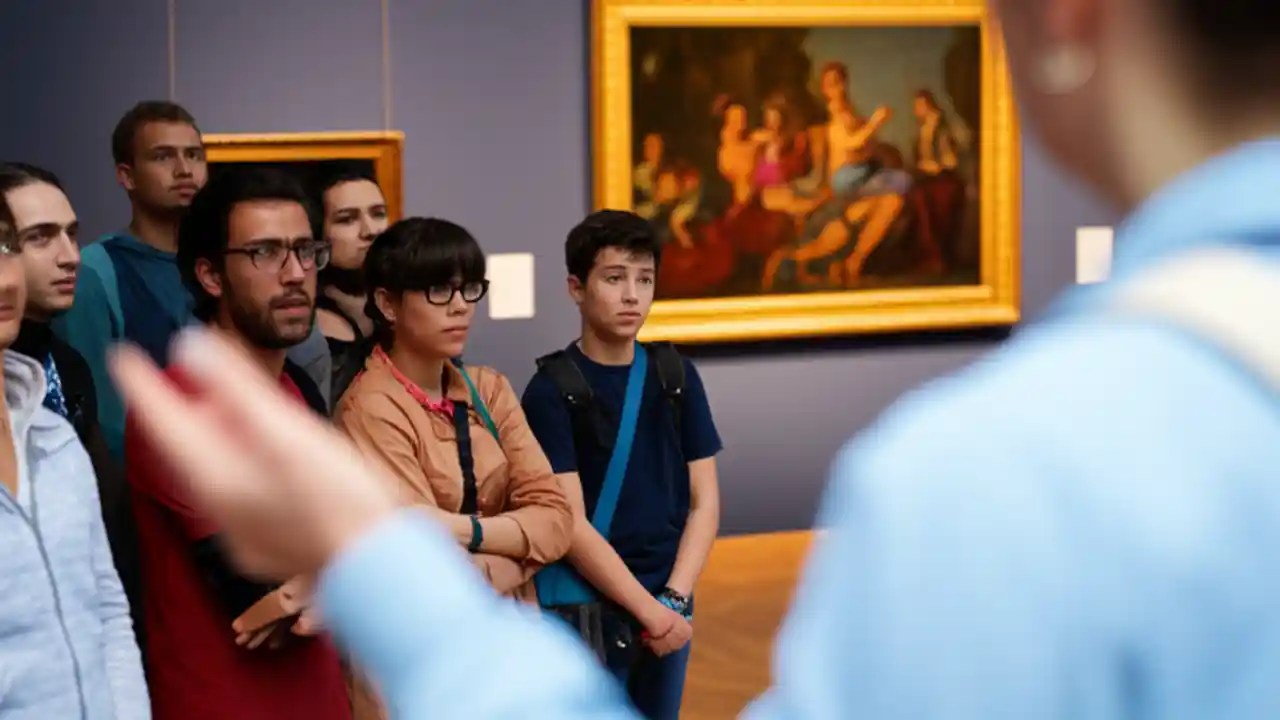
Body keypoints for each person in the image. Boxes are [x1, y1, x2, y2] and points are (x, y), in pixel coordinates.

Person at [106, 0, 1280, 716]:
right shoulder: (499, 387)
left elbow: (548, 517)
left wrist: (380, 559)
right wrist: (531, 550)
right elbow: (542, 519)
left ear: (1066, 19)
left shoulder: (1003, 475)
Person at [125, 166, 349, 720]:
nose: (296, 274)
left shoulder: (298, 390)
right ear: (210, 275)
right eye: (264, 253)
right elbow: (266, 602)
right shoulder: (181, 406)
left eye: (305, 250)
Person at [334, 217, 572, 718]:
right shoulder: (370, 407)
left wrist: (462, 530)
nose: (461, 305)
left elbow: (556, 519)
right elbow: (424, 568)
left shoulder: (488, 388)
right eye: (439, 290)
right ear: (387, 304)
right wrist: (522, 555)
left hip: (506, 649)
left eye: (469, 289)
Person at [520, 209, 721, 719]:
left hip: (669, 600)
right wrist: (650, 610)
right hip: (591, 603)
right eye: (614, 278)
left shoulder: (675, 374)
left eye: (644, 279)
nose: (632, 295)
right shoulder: (551, 390)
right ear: (576, 288)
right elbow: (569, 522)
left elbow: (704, 501)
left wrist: (674, 598)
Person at [53, 101, 332, 459]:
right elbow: (99, 414)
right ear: (126, 175)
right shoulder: (97, 269)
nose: (184, 170)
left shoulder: (268, 271)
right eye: (163, 157)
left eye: (194, 155)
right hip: (160, 455)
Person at [0, 193, 149, 719]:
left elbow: (106, 610)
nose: (3, 280)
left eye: (4, 248)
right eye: (38, 237)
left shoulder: (56, 436)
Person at [311, 164, 389, 402]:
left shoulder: (403, 306)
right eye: (347, 219)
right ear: (319, 235)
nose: (370, 231)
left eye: (378, 214)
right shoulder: (309, 325)